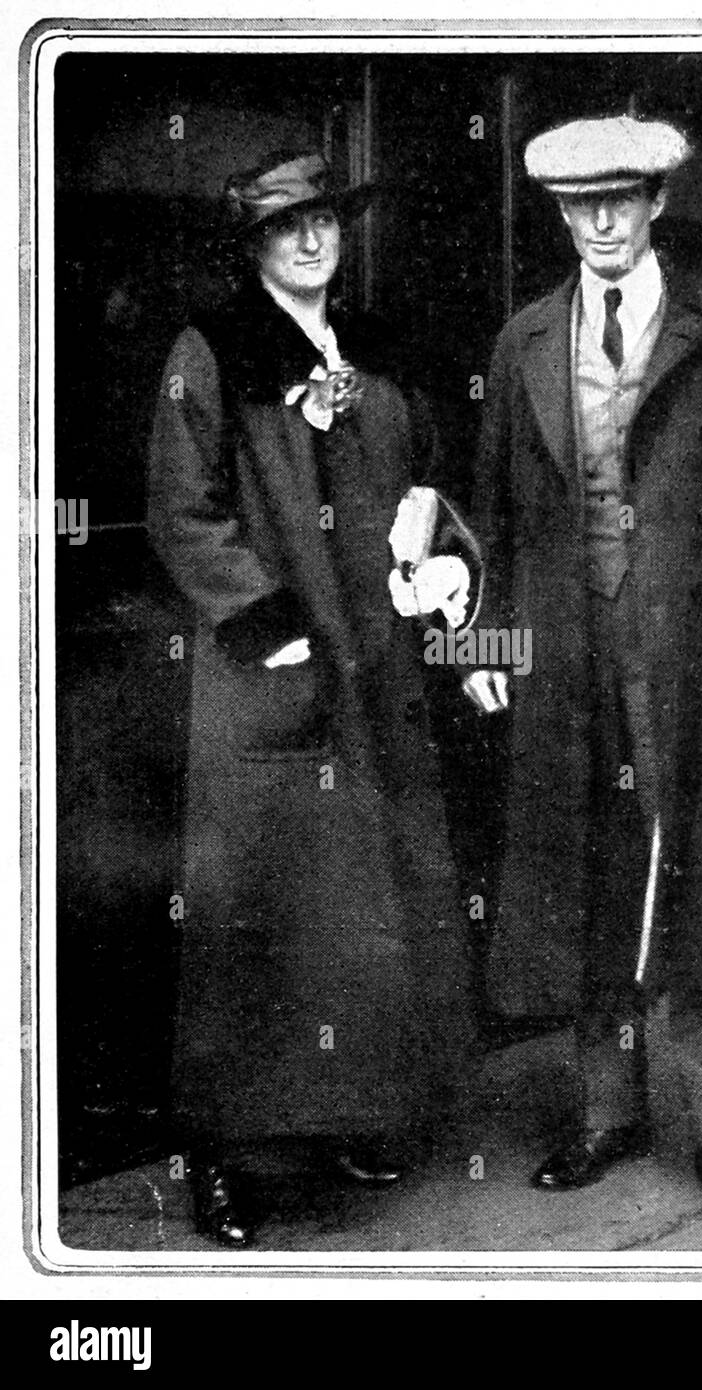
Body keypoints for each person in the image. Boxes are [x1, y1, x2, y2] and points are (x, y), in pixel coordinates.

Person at [462, 115, 702, 1233]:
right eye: (582, 206)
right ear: (560, 215)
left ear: (657, 201)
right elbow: (490, 519)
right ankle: (605, 1114)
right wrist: (483, 641)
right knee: (587, 886)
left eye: (622, 198)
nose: (604, 222)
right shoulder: (522, 339)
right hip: (569, 661)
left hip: (698, 655)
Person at [147, 150, 475, 1248]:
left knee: (361, 914)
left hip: (375, 676)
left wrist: (440, 567)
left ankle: (346, 1117)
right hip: (274, 682)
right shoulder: (212, 353)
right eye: (285, 227)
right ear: (252, 246)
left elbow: (429, 481)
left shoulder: (376, 350)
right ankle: (222, 1159)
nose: (308, 241)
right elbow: (184, 516)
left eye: (323, 220)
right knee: (257, 920)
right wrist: (266, 625)